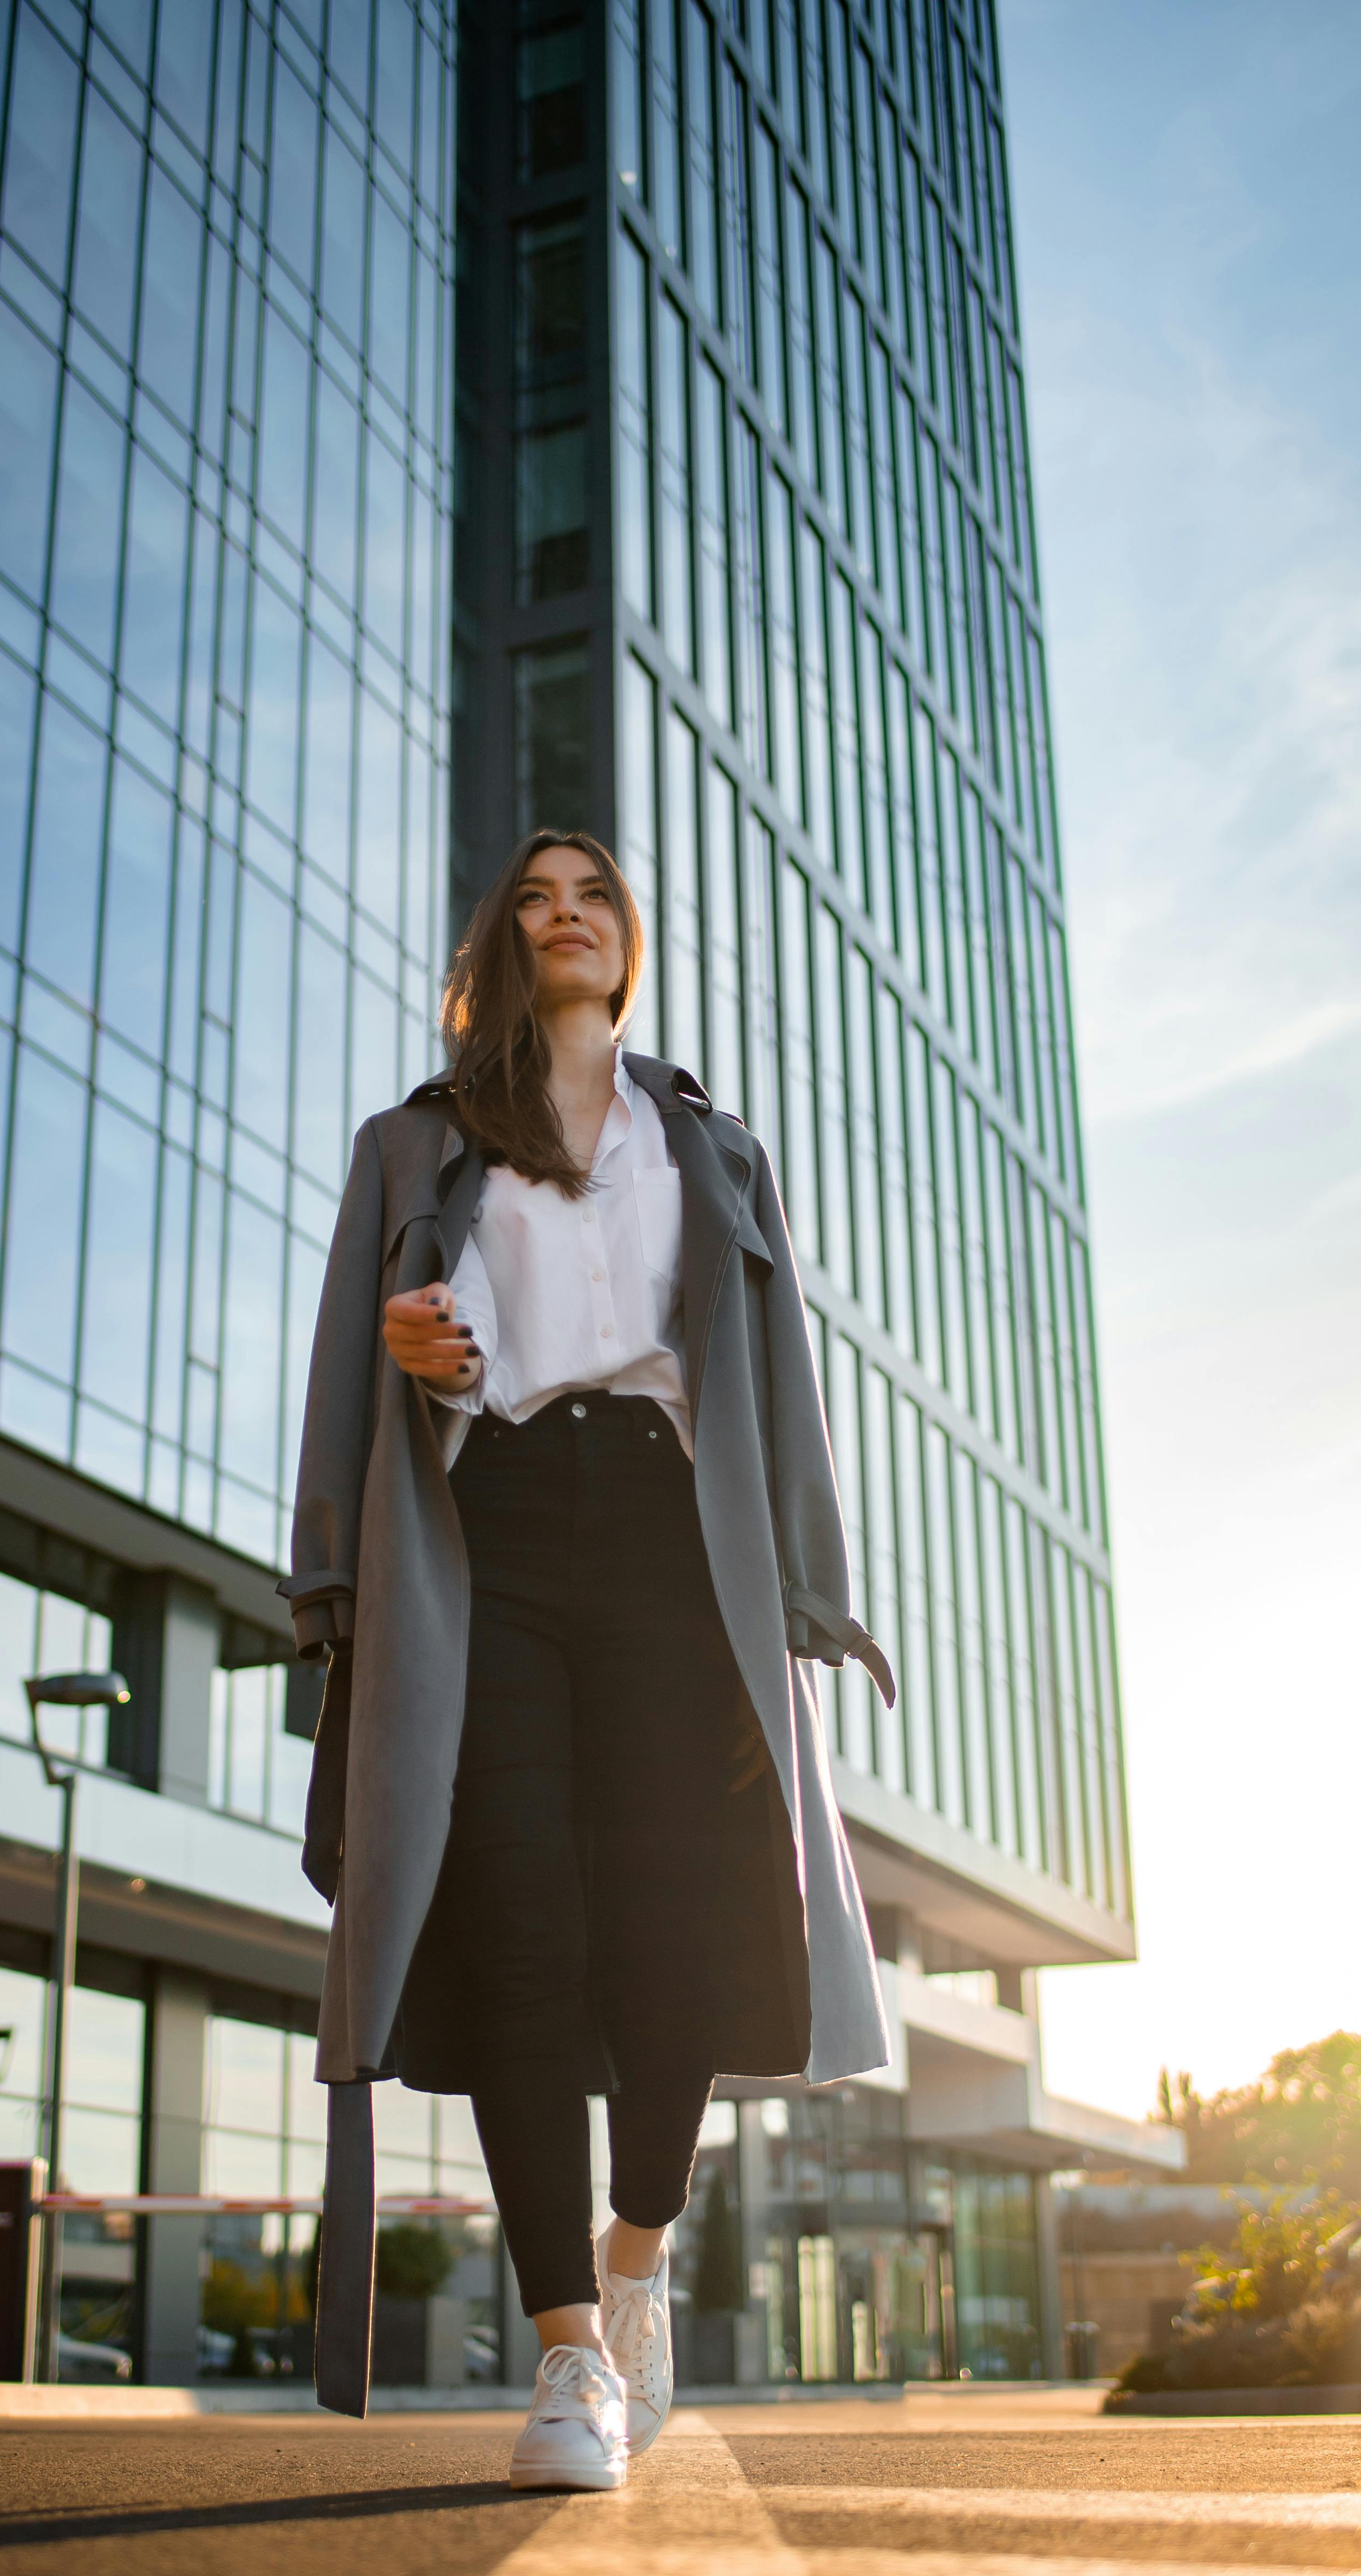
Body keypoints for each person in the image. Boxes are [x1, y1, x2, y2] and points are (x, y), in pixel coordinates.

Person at [282, 830, 895, 2490]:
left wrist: (817, 1593)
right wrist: (415, 1366)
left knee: (676, 1929)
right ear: (502, 945)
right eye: (537, 898)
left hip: (673, 1529)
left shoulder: (711, 1148)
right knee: (526, 1931)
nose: (567, 915)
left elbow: (778, 1377)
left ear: (631, 943)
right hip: (492, 1536)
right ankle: (567, 2358)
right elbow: (368, 1348)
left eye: (597, 896)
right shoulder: (412, 1143)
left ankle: (638, 2259)